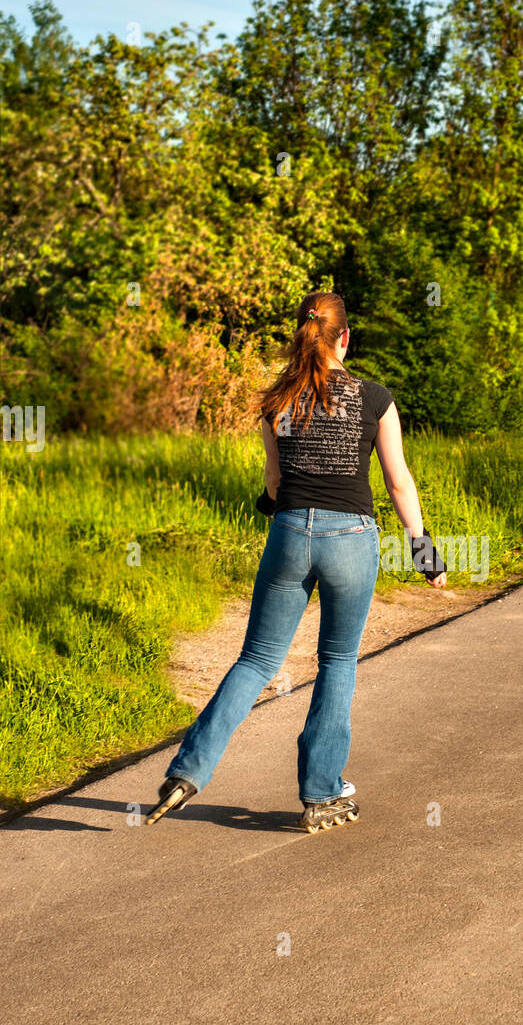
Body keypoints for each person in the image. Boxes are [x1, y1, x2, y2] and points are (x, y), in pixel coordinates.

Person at [146, 291, 446, 833]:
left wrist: (274, 503)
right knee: (336, 660)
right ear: (345, 339)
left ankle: (187, 773)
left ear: (302, 333)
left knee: (257, 660)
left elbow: (274, 481)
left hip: (288, 533)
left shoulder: (276, 399)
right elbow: (398, 481)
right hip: (350, 538)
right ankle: (321, 792)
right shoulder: (374, 398)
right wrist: (424, 551)